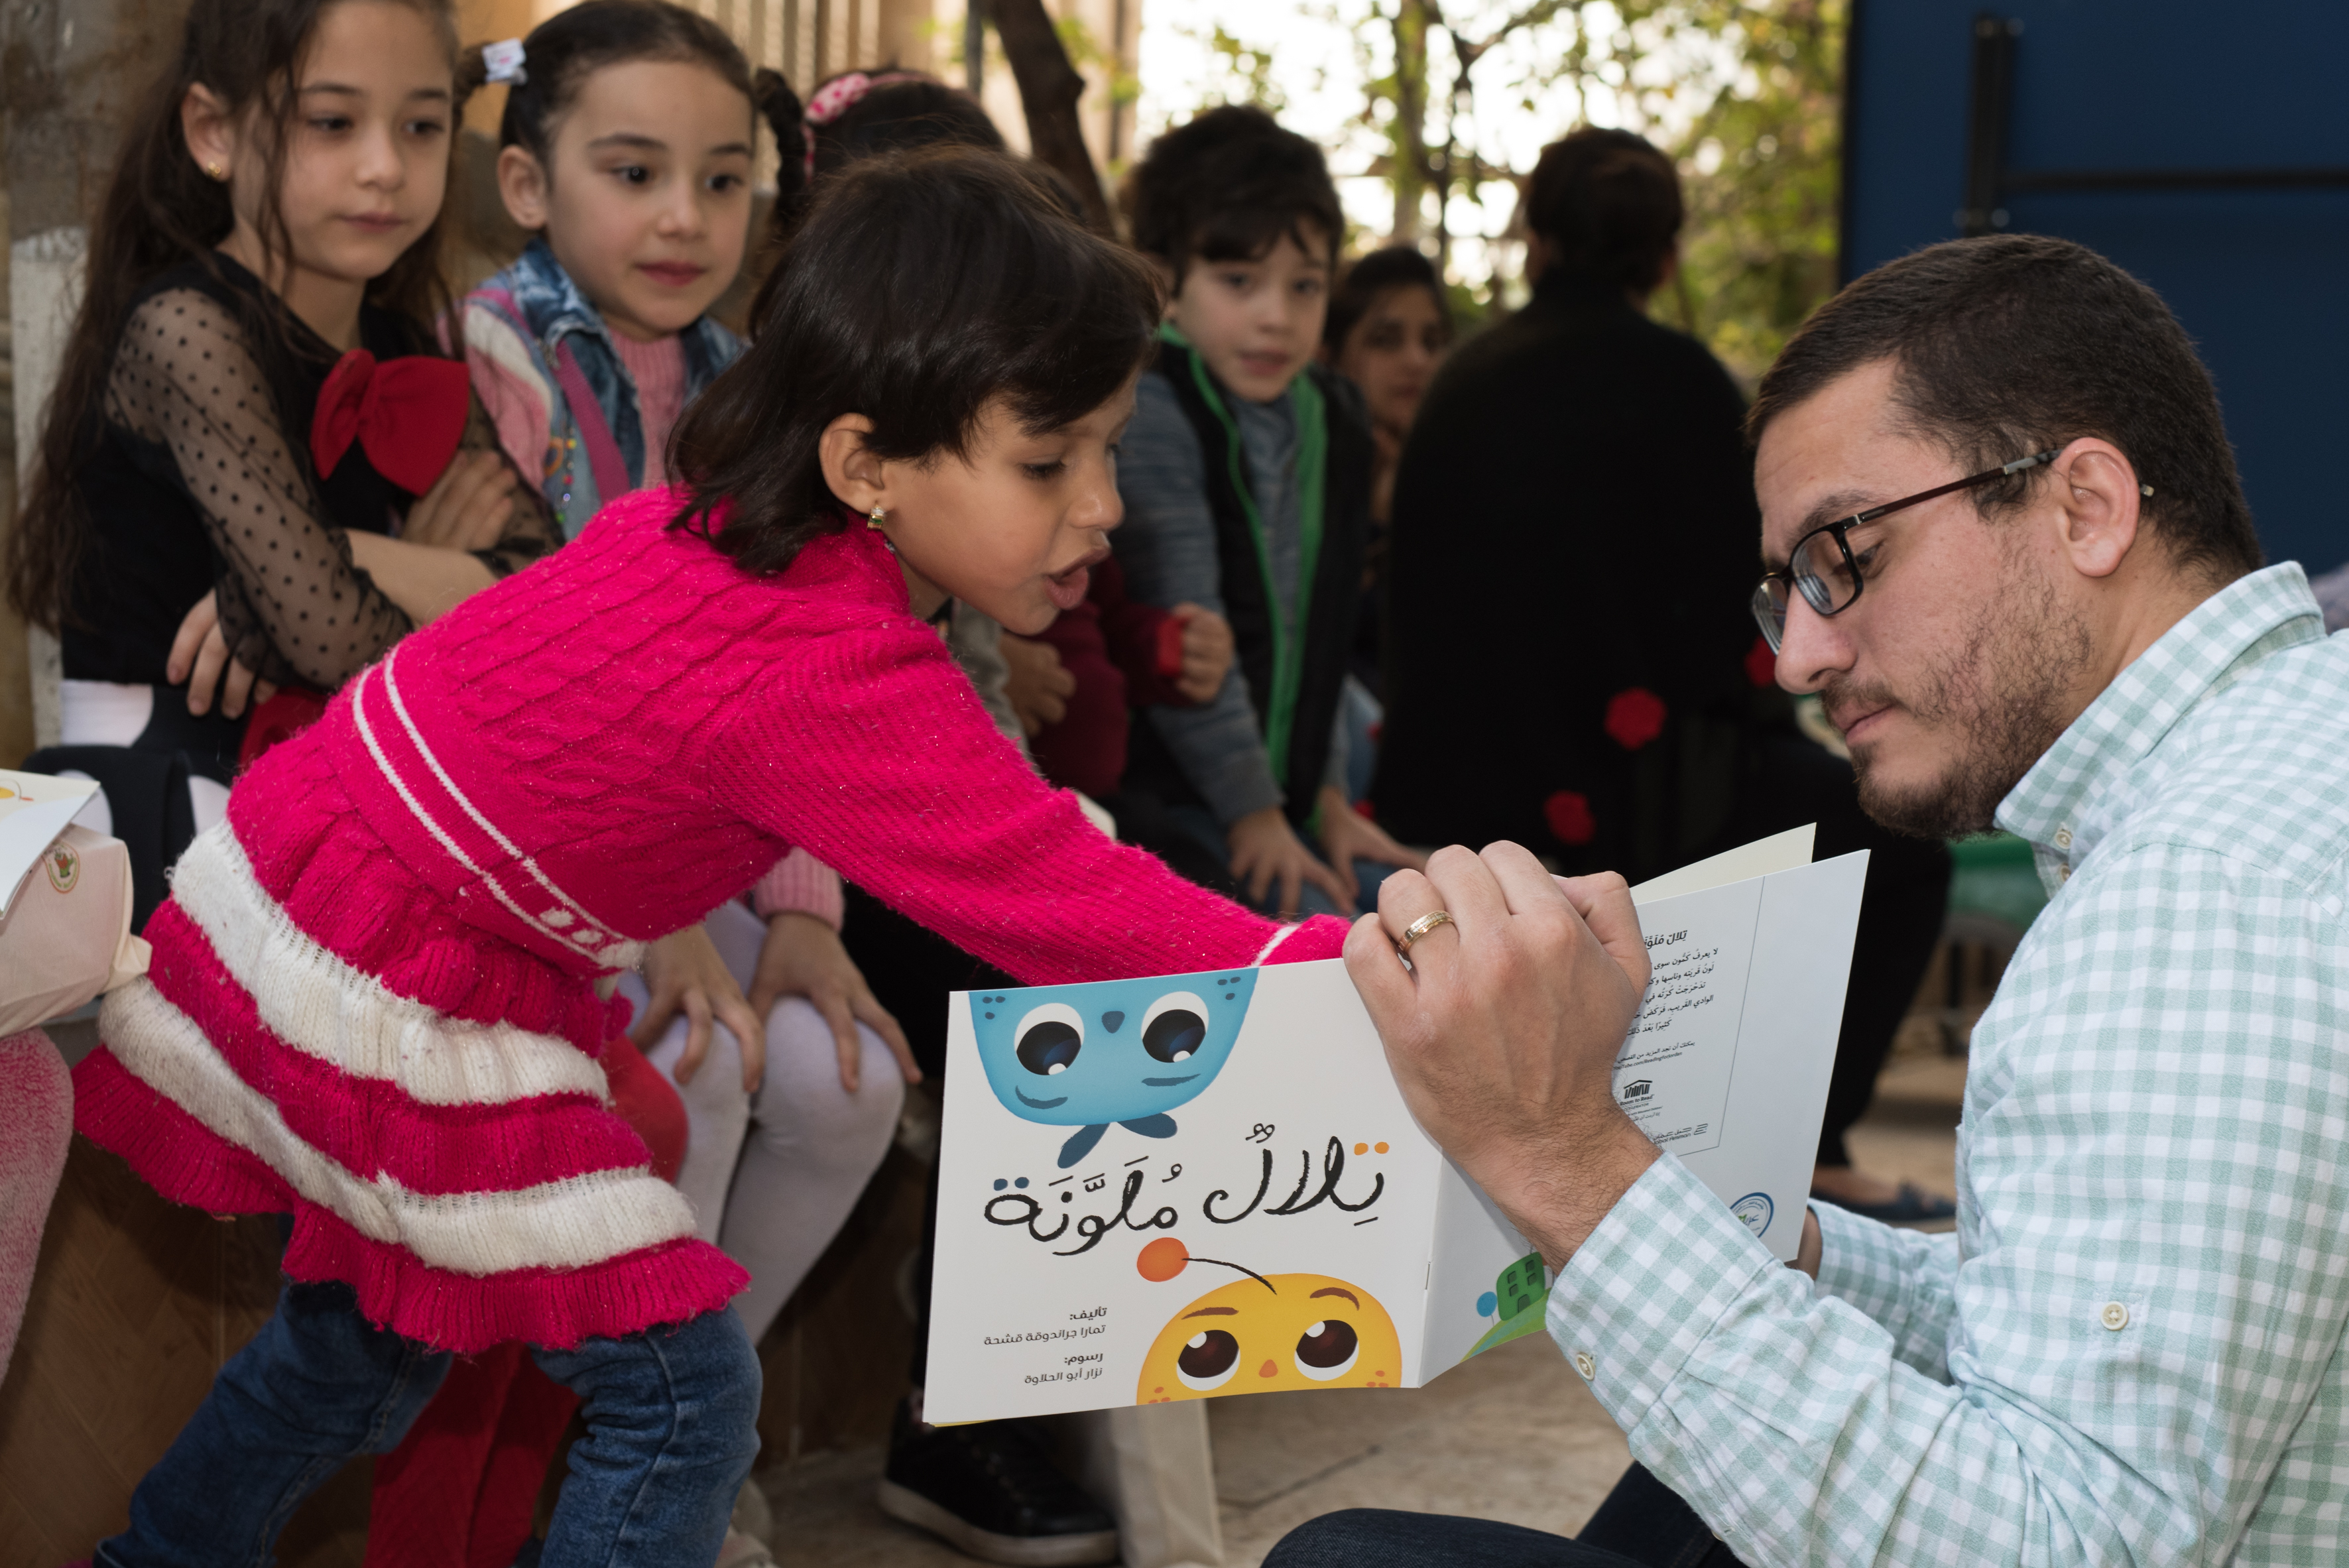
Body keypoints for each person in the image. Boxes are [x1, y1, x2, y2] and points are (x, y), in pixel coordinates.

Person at [69, 146, 1351, 1567]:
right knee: (683, 1390)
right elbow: (1068, 897)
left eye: (1108, 446)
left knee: (365, 1342)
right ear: (863, 462)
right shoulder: (834, 660)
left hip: (334, 882)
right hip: (392, 963)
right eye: (1050, 459)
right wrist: (1360, 973)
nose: (1101, 504)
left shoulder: (727, 531)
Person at [1272, 232, 2349, 1567]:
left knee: (1348, 1560)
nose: (1795, 656)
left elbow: (2063, 1542)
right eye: (1785, 586)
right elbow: (2111, 1319)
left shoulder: (2191, 907)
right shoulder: (2291, 752)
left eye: (1845, 556)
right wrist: (1758, 1242)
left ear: (2084, 507)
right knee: (1710, 1443)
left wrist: (1571, 1164)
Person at [1372, 127, 1951, 1222]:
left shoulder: (1463, 380)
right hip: (1646, 796)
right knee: (1892, 835)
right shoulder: (1690, 386)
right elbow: (1734, 633)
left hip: (1444, 798)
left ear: (1532, 239)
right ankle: (1810, 1147)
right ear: (1666, 256)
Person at [4, 0, 551, 930]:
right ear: (215, 132)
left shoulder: (398, 341)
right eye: (331, 122)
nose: (385, 166)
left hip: (337, 763)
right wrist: (386, 584)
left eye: (420, 126)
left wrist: (345, 556)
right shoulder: (188, 329)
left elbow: (546, 589)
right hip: (165, 783)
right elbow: (329, 637)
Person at [1115, 104, 1424, 920]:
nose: (1276, 317)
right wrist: (1254, 815)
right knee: (1315, 950)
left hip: (1285, 798)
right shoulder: (1151, 403)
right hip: (1168, 799)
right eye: (1239, 281)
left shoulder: (1326, 416)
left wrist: (1324, 799)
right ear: (1166, 277)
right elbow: (1192, 633)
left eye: (1305, 285)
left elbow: (1316, 631)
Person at [1320, 244, 1451, 699]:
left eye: (1431, 342)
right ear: (1328, 355)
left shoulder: (1459, 482)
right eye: (1386, 340)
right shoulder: (1294, 481)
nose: (1417, 360)